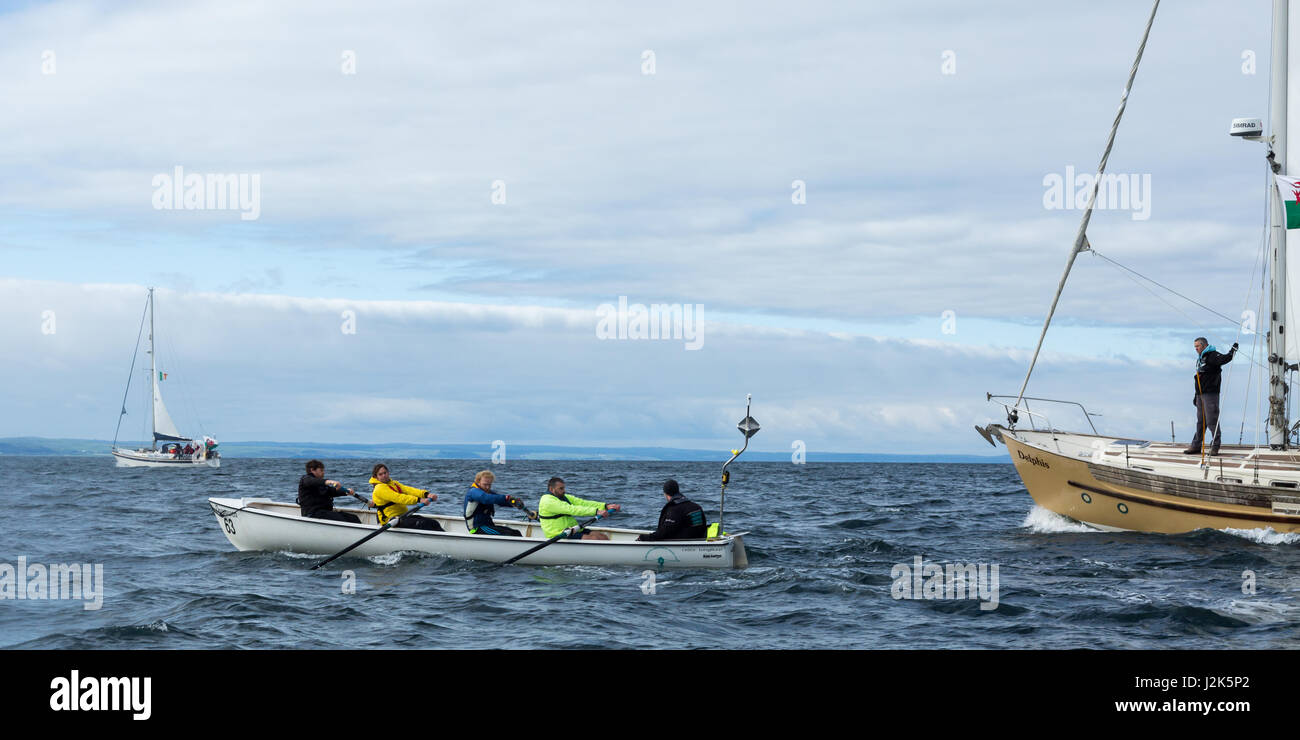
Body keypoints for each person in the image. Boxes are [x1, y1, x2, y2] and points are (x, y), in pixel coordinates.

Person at [1184, 337, 1238, 456]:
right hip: (1200, 394)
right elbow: (1199, 377)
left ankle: (1215, 446)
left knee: (1211, 421)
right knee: (1200, 421)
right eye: (1195, 347)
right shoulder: (1201, 358)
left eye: (1197, 346)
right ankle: (1196, 445)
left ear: (1204, 345)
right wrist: (1196, 395)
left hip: (1210, 394)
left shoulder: (1212, 355)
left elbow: (1224, 359)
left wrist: (1233, 351)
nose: (1196, 349)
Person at [537, 477, 620, 540]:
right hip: (558, 534)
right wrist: (596, 511)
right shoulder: (547, 500)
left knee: (602, 536)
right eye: (561, 488)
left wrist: (605, 506)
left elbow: (582, 503)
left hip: (572, 529)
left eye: (564, 488)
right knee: (594, 539)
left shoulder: (563, 497)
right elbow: (571, 509)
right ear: (552, 489)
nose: (564, 490)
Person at [369, 463, 442, 531]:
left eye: (385, 473)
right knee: (423, 524)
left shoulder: (394, 483)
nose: (384, 475)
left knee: (433, 522)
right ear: (376, 477)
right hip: (391, 520)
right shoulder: (379, 488)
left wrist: (426, 494)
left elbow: (408, 490)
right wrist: (419, 500)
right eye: (380, 474)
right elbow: (398, 498)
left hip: (403, 516)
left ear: (388, 472)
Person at [636, 479, 708, 541]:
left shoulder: (675, 509)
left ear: (665, 493)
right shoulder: (696, 506)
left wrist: (643, 537)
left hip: (682, 546)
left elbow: (664, 532)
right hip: (698, 541)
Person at [463, 470, 526, 536]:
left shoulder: (487, 491)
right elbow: (486, 498)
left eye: (489, 485)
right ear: (478, 482)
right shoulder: (473, 492)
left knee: (516, 532)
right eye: (485, 484)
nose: (487, 487)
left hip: (487, 525)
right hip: (477, 528)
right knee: (510, 534)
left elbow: (499, 500)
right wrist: (506, 497)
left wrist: (513, 503)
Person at [297, 459, 361, 523]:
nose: (323, 472)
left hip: (324, 512)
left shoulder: (321, 484)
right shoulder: (305, 479)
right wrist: (330, 481)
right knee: (341, 520)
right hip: (312, 514)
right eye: (321, 470)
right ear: (312, 470)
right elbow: (313, 481)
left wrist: (346, 492)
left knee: (354, 518)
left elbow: (331, 491)